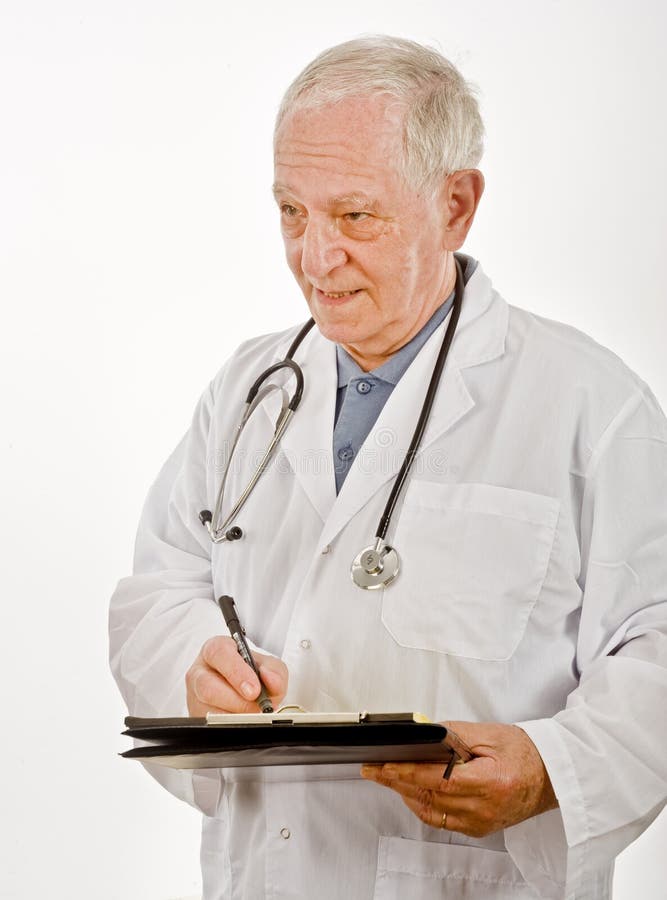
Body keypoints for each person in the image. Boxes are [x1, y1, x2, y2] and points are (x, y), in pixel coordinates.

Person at [109, 35, 667, 900]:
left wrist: (555, 767)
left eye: (354, 216)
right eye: (291, 211)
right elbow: (163, 583)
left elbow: (658, 638)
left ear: (454, 205)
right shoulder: (248, 391)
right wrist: (195, 657)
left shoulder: (590, 405)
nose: (313, 257)